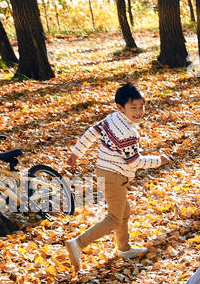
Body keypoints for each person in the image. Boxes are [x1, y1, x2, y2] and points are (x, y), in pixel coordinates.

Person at [63, 81, 168, 270]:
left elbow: (91, 132)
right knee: (114, 218)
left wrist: (76, 153)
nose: (139, 112)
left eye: (141, 106)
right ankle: (77, 244)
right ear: (121, 107)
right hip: (114, 176)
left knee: (124, 213)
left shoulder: (112, 119)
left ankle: (124, 248)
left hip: (106, 172)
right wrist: (159, 160)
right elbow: (135, 162)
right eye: (133, 108)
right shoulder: (127, 133)